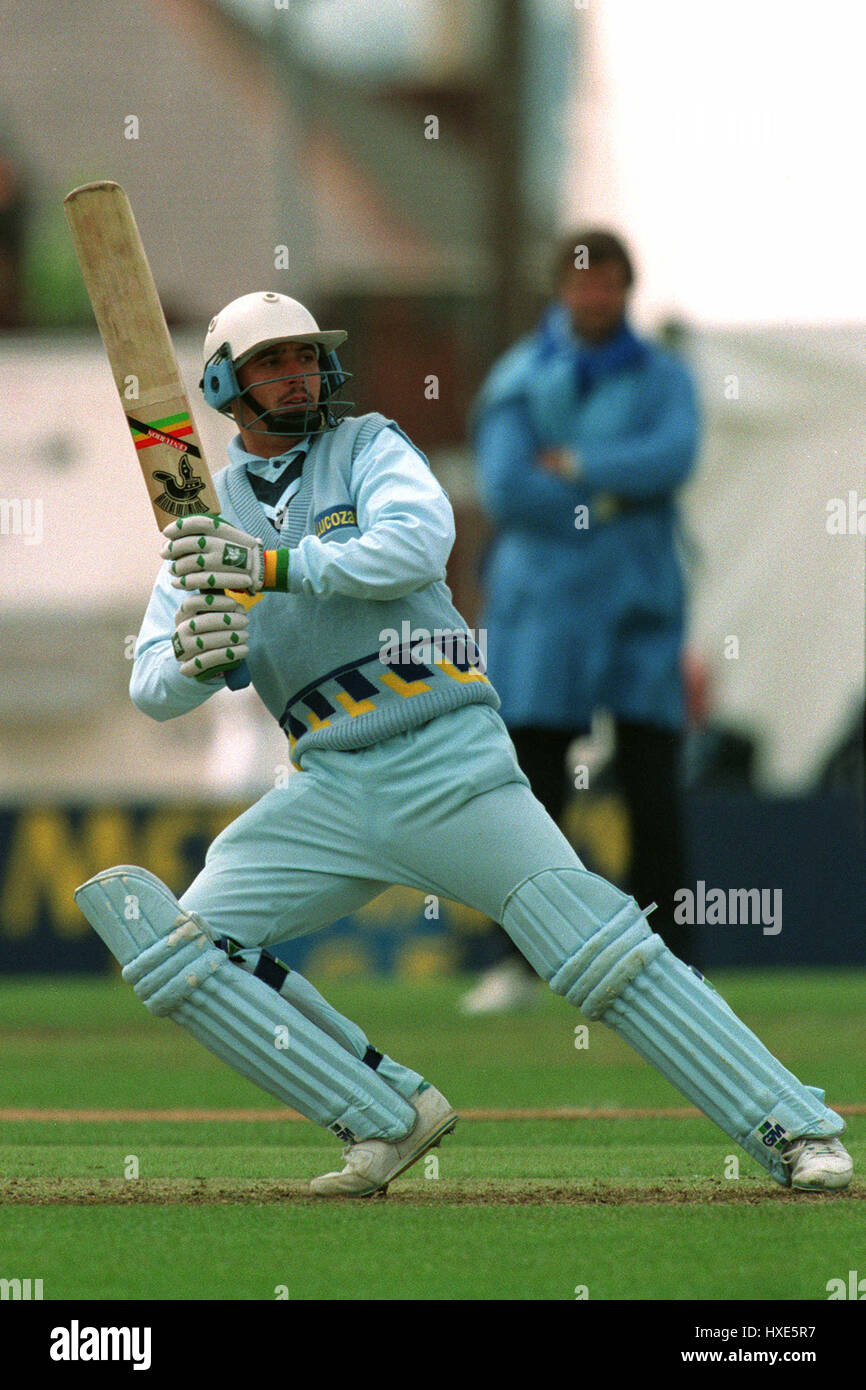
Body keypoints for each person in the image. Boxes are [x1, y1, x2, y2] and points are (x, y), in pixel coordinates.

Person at [75, 290, 851, 1197]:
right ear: (222, 385)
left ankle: (796, 1128)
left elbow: (415, 544)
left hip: (445, 756)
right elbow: (152, 685)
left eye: (304, 358)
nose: (296, 375)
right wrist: (199, 662)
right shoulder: (205, 517)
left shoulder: (368, 446)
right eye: (269, 364)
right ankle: (384, 1114)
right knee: (186, 952)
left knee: (592, 948)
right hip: (322, 781)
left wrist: (275, 568)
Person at [460, 229, 699, 1015]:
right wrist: (617, 498)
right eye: (582, 283)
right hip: (546, 605)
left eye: (609, 284)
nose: (595, 298)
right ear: (560, 288)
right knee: (533, 784)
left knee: (652, 779)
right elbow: (506, 487)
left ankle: (672, 959)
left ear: (626, 289)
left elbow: (675, 457)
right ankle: (517, 959)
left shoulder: (665, 377)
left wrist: (579, 466)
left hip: (639, 600)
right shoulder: (521, 379)